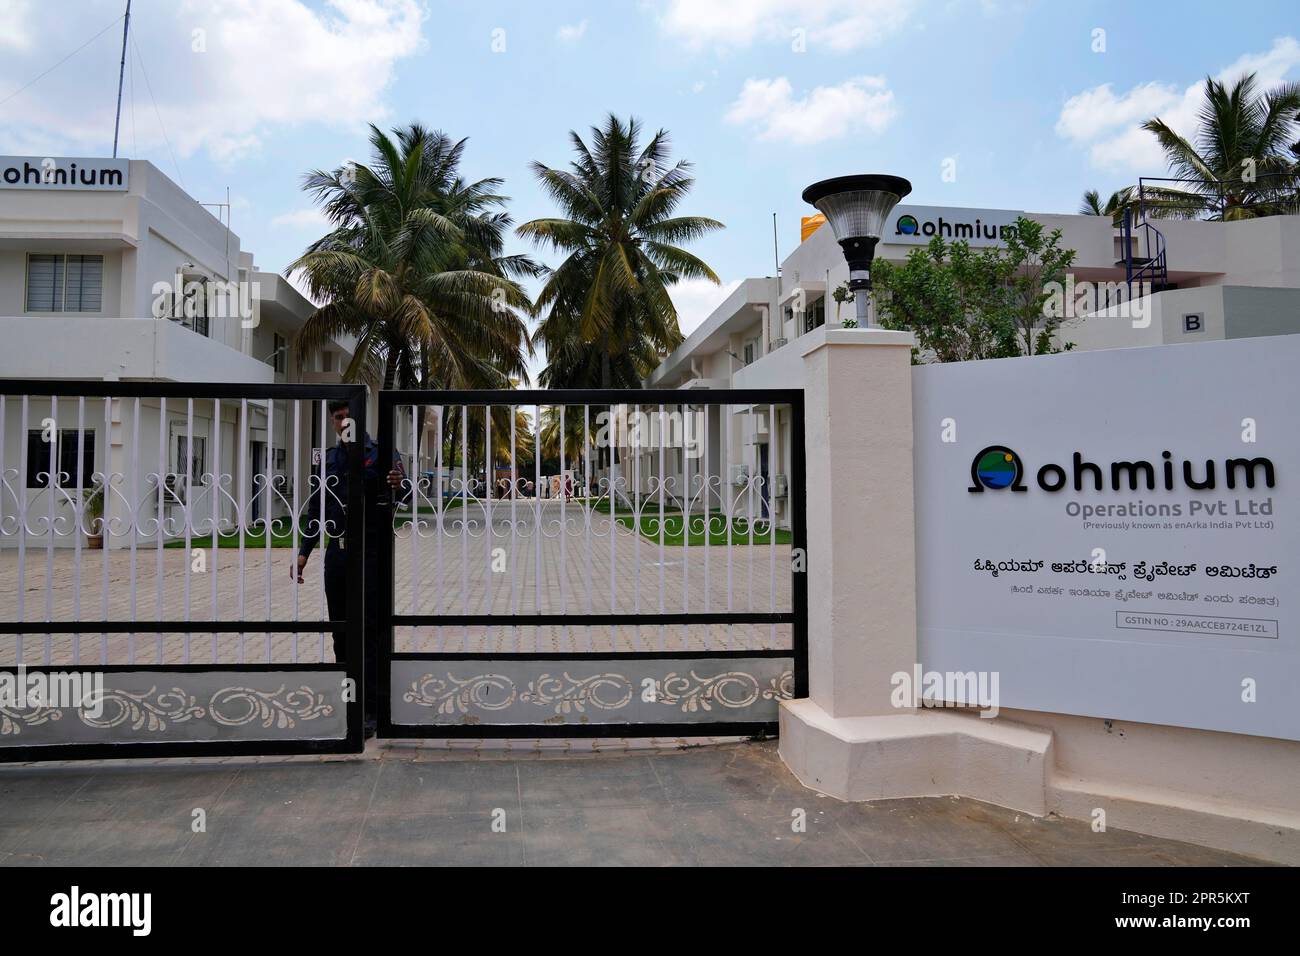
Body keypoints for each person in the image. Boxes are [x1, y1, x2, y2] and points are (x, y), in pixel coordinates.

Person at [292, 399, 404, 736]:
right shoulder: (328, 459)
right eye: (338, 417)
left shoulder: (382, 452)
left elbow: (406, 493)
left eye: (348, 415)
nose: (344, 421)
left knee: (368, 630)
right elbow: (317, 508)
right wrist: (304, 551)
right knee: (341, 630)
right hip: (337, 556)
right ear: (332, 422)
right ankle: (349, 700)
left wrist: (398, 484)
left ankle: (370, 709)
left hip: (370, 553)